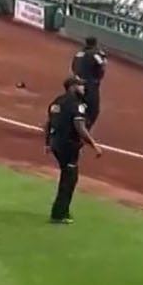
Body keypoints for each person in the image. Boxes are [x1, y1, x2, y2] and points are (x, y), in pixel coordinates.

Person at [44, 75, 102, 224]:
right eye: (80, 85)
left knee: (68, 176)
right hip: (68, 146)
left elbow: (49, 123)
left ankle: (62, 211)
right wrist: (93, 145)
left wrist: (47, 143)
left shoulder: (57, 101)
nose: (83, 87)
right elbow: (79, 127)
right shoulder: (76, 104)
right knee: (69, 179)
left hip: (56, 143)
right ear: (72, 87)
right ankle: (59, 214)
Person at [71, 36, 107, 127]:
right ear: (95, 44)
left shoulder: (79, 53)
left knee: (74, 105)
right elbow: (102, 65)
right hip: (90, 85)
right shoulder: (96, 53)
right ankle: (84, 129)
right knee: (93, 109)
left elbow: (73, 67)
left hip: (76, 83)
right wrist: (98, 77)